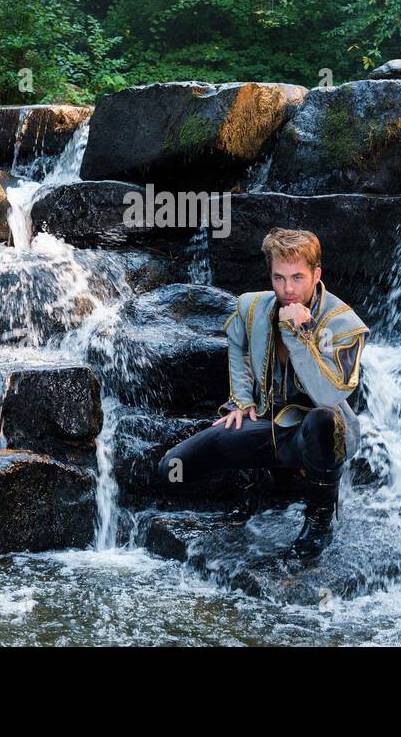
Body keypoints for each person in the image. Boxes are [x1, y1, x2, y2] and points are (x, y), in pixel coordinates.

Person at [157, 228, 369, 563]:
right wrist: (242, 399)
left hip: (317, 436)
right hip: (269, 428)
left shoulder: (343, 324)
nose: (288, 289)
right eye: (279, 278)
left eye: (298, 277)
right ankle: (261, 483)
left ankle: (319, 521)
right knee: (172, 467)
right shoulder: (252, 307)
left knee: (324, 420)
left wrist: (298, 334)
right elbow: (237, 344)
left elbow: (328, 394)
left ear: (317, 275)